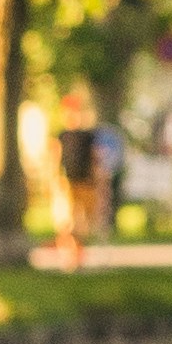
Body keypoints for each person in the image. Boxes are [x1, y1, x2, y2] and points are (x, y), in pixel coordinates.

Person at [50, 87, 104, 274]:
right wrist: (55, 180)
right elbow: (55, 158)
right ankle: (69, 256)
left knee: (84, 223)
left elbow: (95, 158)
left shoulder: (88, 136)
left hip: (86, 183)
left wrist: (98, 181)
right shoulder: (61, 135)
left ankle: (78, 256)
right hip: (67, 183)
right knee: (67, 222)